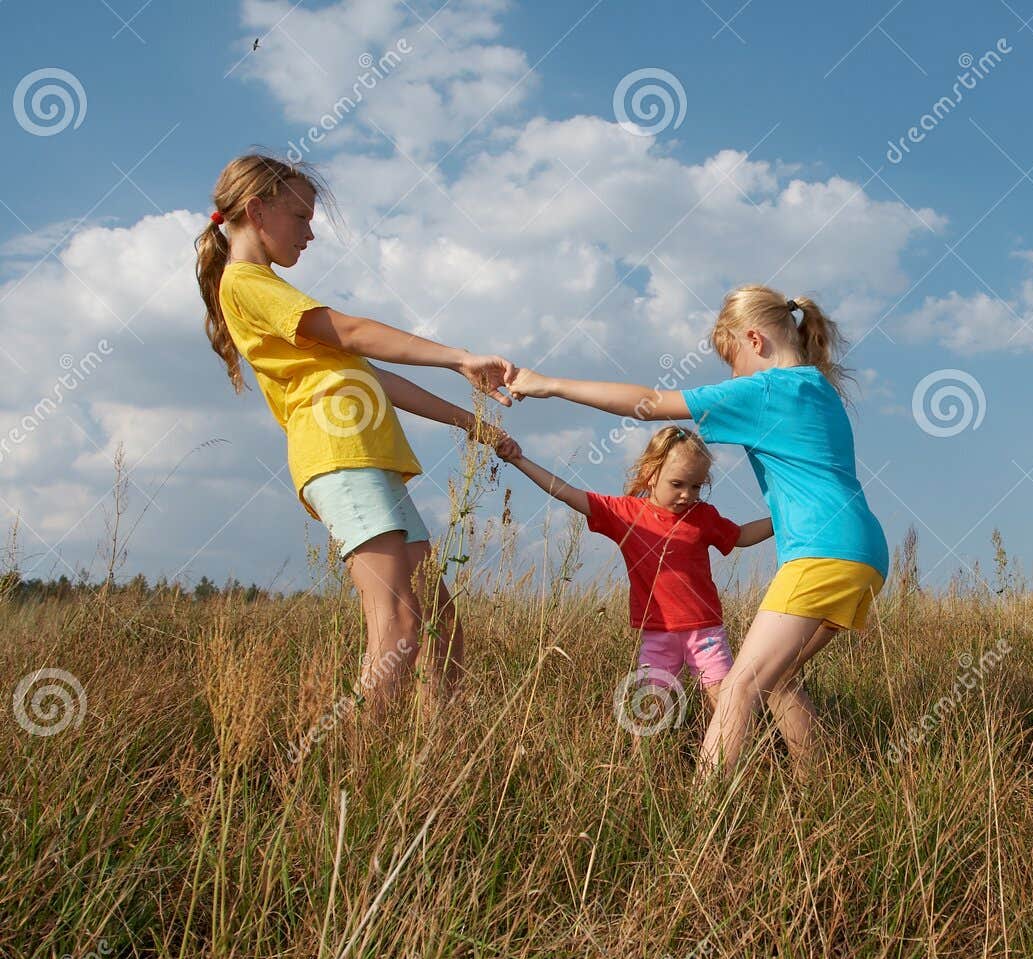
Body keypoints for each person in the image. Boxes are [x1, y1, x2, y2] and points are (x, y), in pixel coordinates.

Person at [508, 285, 887, 770]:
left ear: (755, 340)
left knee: (739, 687)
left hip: (821, 552)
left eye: (732, 360)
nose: (731, 378)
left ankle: (700, 823)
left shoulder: (766, 389)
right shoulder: (819, 387)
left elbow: (647, 401)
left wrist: (549, 384)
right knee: (779, 678)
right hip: (865, 552)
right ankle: (825, 790)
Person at [195, 153, 520, 707]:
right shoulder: (247, 282)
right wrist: (457, 357)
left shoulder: (269, 292)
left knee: (440, 628)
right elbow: (352, 331)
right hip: (340, 458)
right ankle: (362, 775)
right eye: (300, 217)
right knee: (397, 628)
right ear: (256, 210)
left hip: (366, 460)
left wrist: (472, 424)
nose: (310, 233)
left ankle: (427, 771)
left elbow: (375, 376)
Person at [510, 426, 772, 712]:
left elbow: (742, 537)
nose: (687, 495)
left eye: (696, 486)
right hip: (657, 631)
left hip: (705, 631)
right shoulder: (625, 513)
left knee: (725, 703)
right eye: (678, 484)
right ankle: (640, 757)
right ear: (651, 473)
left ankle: (729, 755)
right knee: (648, 707)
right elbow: (566, 493)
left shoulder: (703, 516)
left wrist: (780, 520)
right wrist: (519, 460)